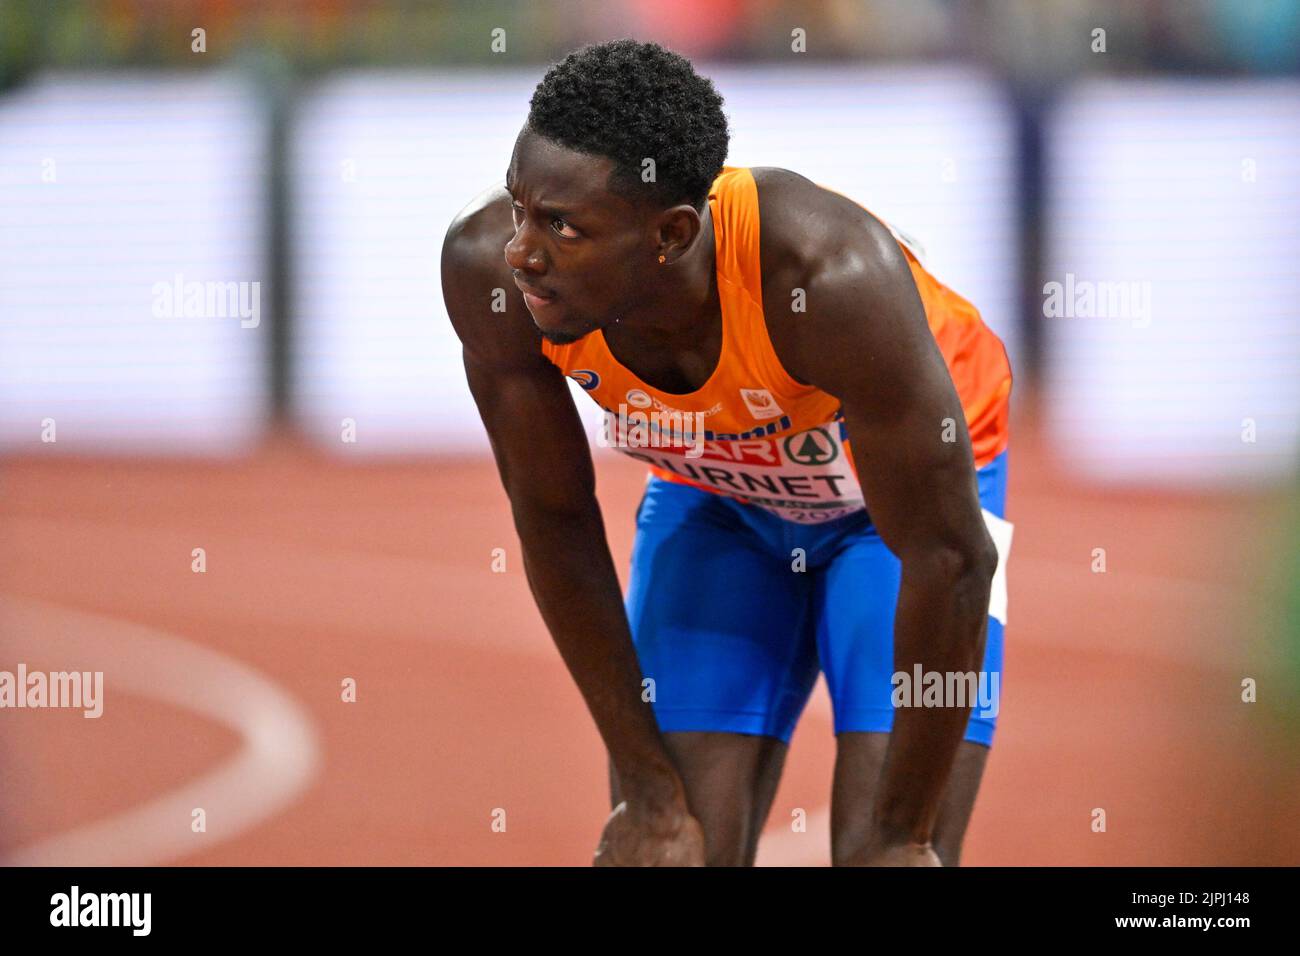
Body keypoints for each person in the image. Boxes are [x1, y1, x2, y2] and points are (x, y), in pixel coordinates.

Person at [441, 39, 1012, 866]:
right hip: (720, 496)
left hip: (893, 522)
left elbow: (949, 559)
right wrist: (648, 794)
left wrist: (903, 837)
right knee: (681, 848)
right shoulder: (491, 278)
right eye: (519, 206)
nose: (522, 251)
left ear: (670, 233)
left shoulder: (826, 278)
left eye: (560, 226)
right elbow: (553, 519)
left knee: (879, 856)